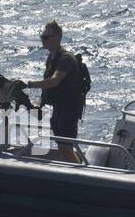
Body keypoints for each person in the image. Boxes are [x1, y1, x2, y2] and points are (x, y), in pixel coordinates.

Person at [21, 21, 86, 163]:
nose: (42, 40)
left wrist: (29, 84)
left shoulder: (66, 59)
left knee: (67, 150)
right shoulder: (52, 58)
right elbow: (48, 86)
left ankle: (77, 176)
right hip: (58, 109)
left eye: (45, 37)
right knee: (63, 148)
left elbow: (54, 80)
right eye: (42, 36)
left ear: (56, 38)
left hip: (68, 111)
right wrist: (40, 104)